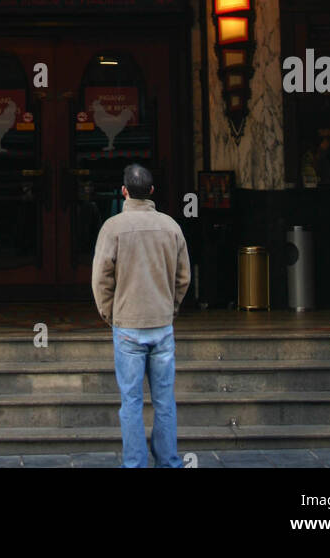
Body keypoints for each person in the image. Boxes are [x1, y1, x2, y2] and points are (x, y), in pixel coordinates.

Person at [91, 163, 191, 469]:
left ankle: (134, 464)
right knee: (164, 401)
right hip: (162, 325)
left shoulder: (112, 227)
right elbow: (183, 277)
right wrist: (170, 308)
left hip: (127, 326)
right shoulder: (171, 226)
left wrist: (110, 314)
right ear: (151, 191)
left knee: (131, 403)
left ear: (124, 192)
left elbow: (101, 279)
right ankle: (169, 461)